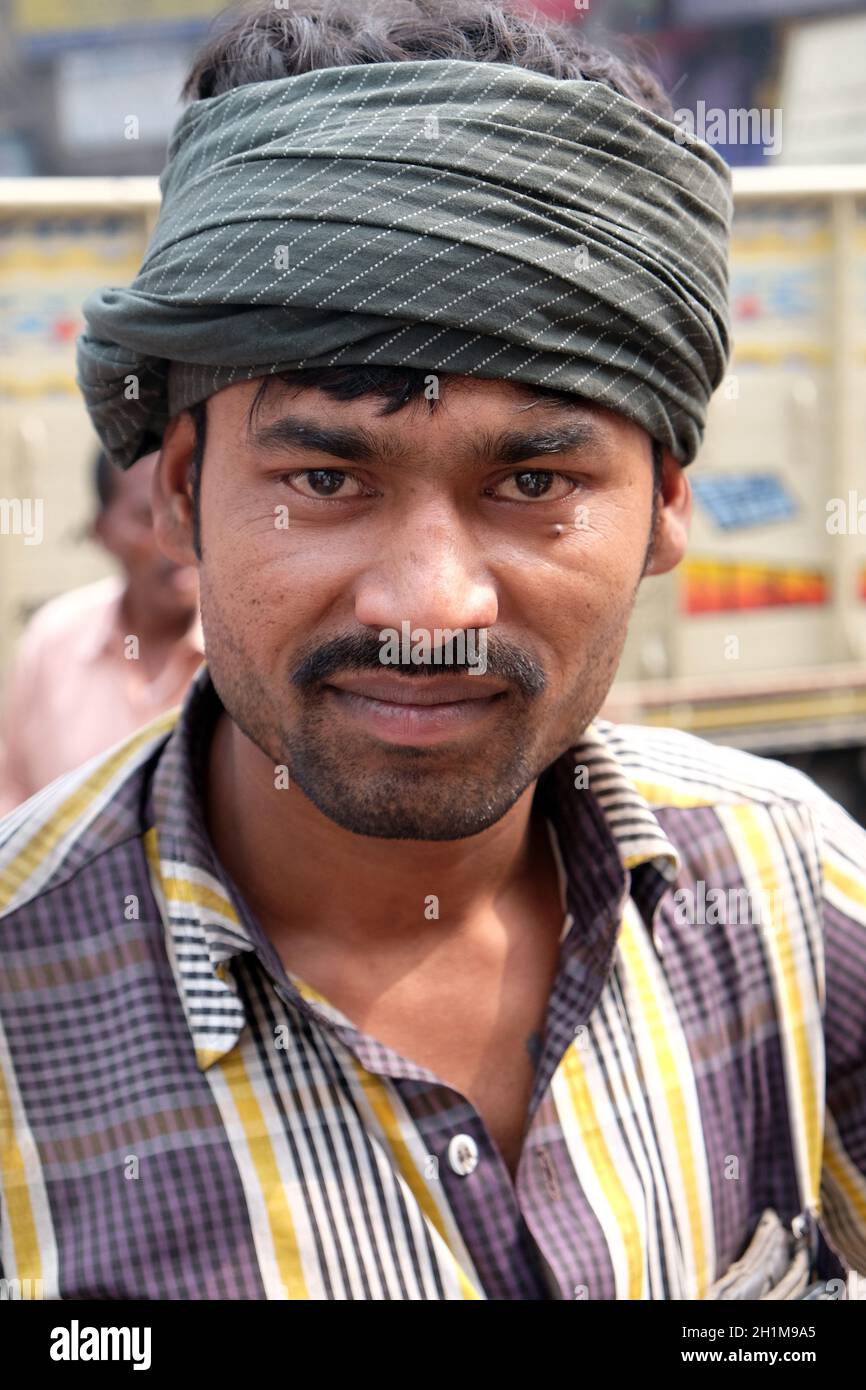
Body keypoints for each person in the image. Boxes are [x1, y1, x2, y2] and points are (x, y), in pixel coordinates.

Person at [1, 0, 864, 1301]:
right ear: (179, 492)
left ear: (666, 504)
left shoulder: (789, 892)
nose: (431, 603)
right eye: (326, 474)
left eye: (529, 480)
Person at [0, 450, 203, 814]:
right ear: (102, 531)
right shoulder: (52, 641)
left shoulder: (250, 648)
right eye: (149, 518)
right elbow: (11, 796)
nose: (178, 540)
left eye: (192, 511)